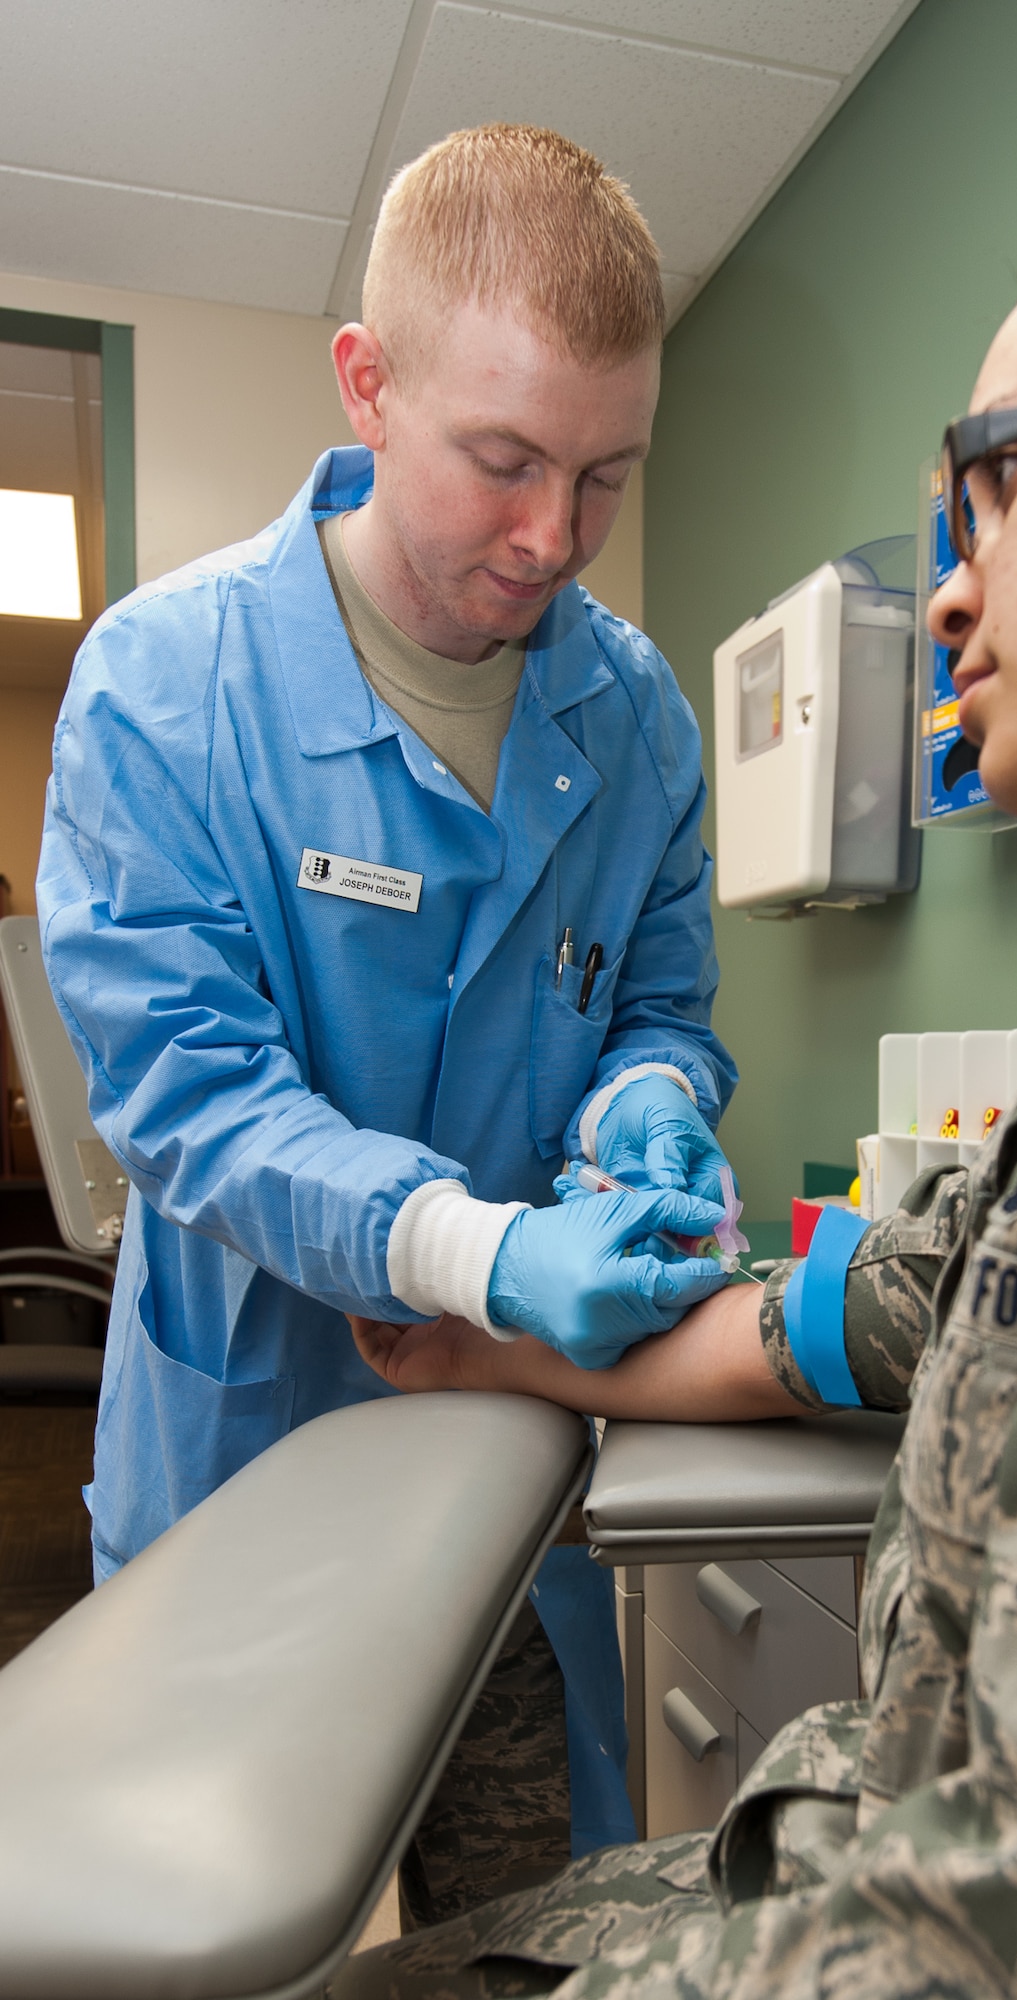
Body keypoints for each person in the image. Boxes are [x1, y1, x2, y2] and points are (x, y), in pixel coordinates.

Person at [332, 123, 1017, 1997]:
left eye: (996, 480)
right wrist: (489, 1319)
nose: (944, 587)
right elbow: (881, 1311)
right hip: (875, 1840)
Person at [37, 125, 740, 1916]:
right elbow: (191, 1098)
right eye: (502, 460)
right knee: (216, 1922)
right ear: (368, 385)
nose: (551, 539)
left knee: (519, 1917)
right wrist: (477, 1247)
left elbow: (660, 998)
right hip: (247, 1465)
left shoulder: (637, 718)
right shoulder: (162, 687)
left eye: (605, 476)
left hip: (515, 1466)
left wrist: (653, 1091)